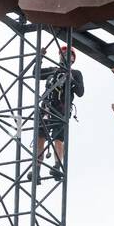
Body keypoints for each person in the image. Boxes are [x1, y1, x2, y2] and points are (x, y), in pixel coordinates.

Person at [30, 44, 84, 181]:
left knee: (59, 139)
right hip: (46, 109)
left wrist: (71, 79)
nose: (65, 56)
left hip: (61, 111)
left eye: (68, 54)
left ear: (72, 58)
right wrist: (40, 57)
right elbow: (35, 73)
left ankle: (57, 166)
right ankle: (36, 169)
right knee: (40, 139)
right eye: (63, 53)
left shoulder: (76, 73)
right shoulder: (52, 71)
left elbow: (80, 92)